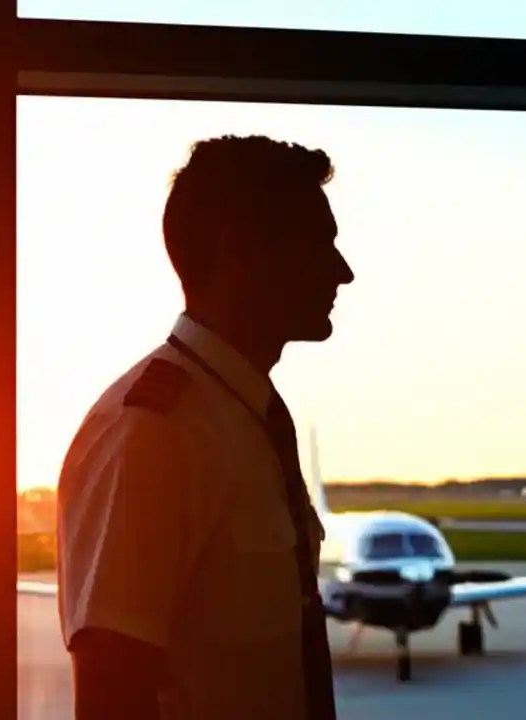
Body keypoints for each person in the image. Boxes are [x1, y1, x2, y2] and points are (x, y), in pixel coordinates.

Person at [55, 134, 355, 719]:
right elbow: (112, 684)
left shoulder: (247, 417)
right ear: (240, 249)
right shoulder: (151, 433)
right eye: (319, 244)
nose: (342, 272)